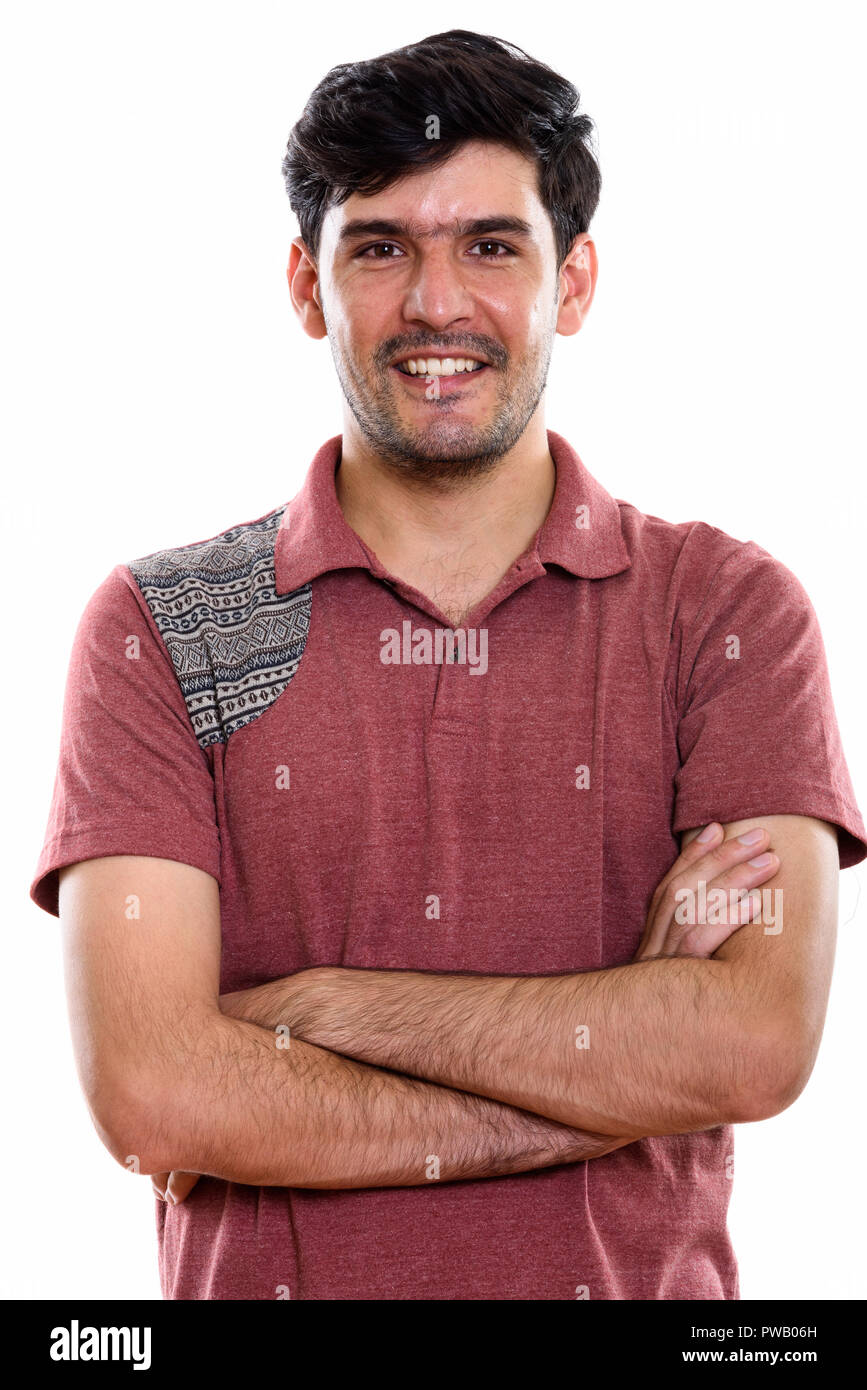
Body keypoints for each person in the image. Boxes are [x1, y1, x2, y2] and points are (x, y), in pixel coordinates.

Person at [31, 28, 865, 1301]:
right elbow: (153, 1093)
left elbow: (754, 1043)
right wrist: (608, 1065)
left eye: (491, 245)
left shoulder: (730, 616)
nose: (435, 304)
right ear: (308, 289)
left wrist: (321, 1007)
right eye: (380, 247)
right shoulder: (163, 626)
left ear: (572, 282)